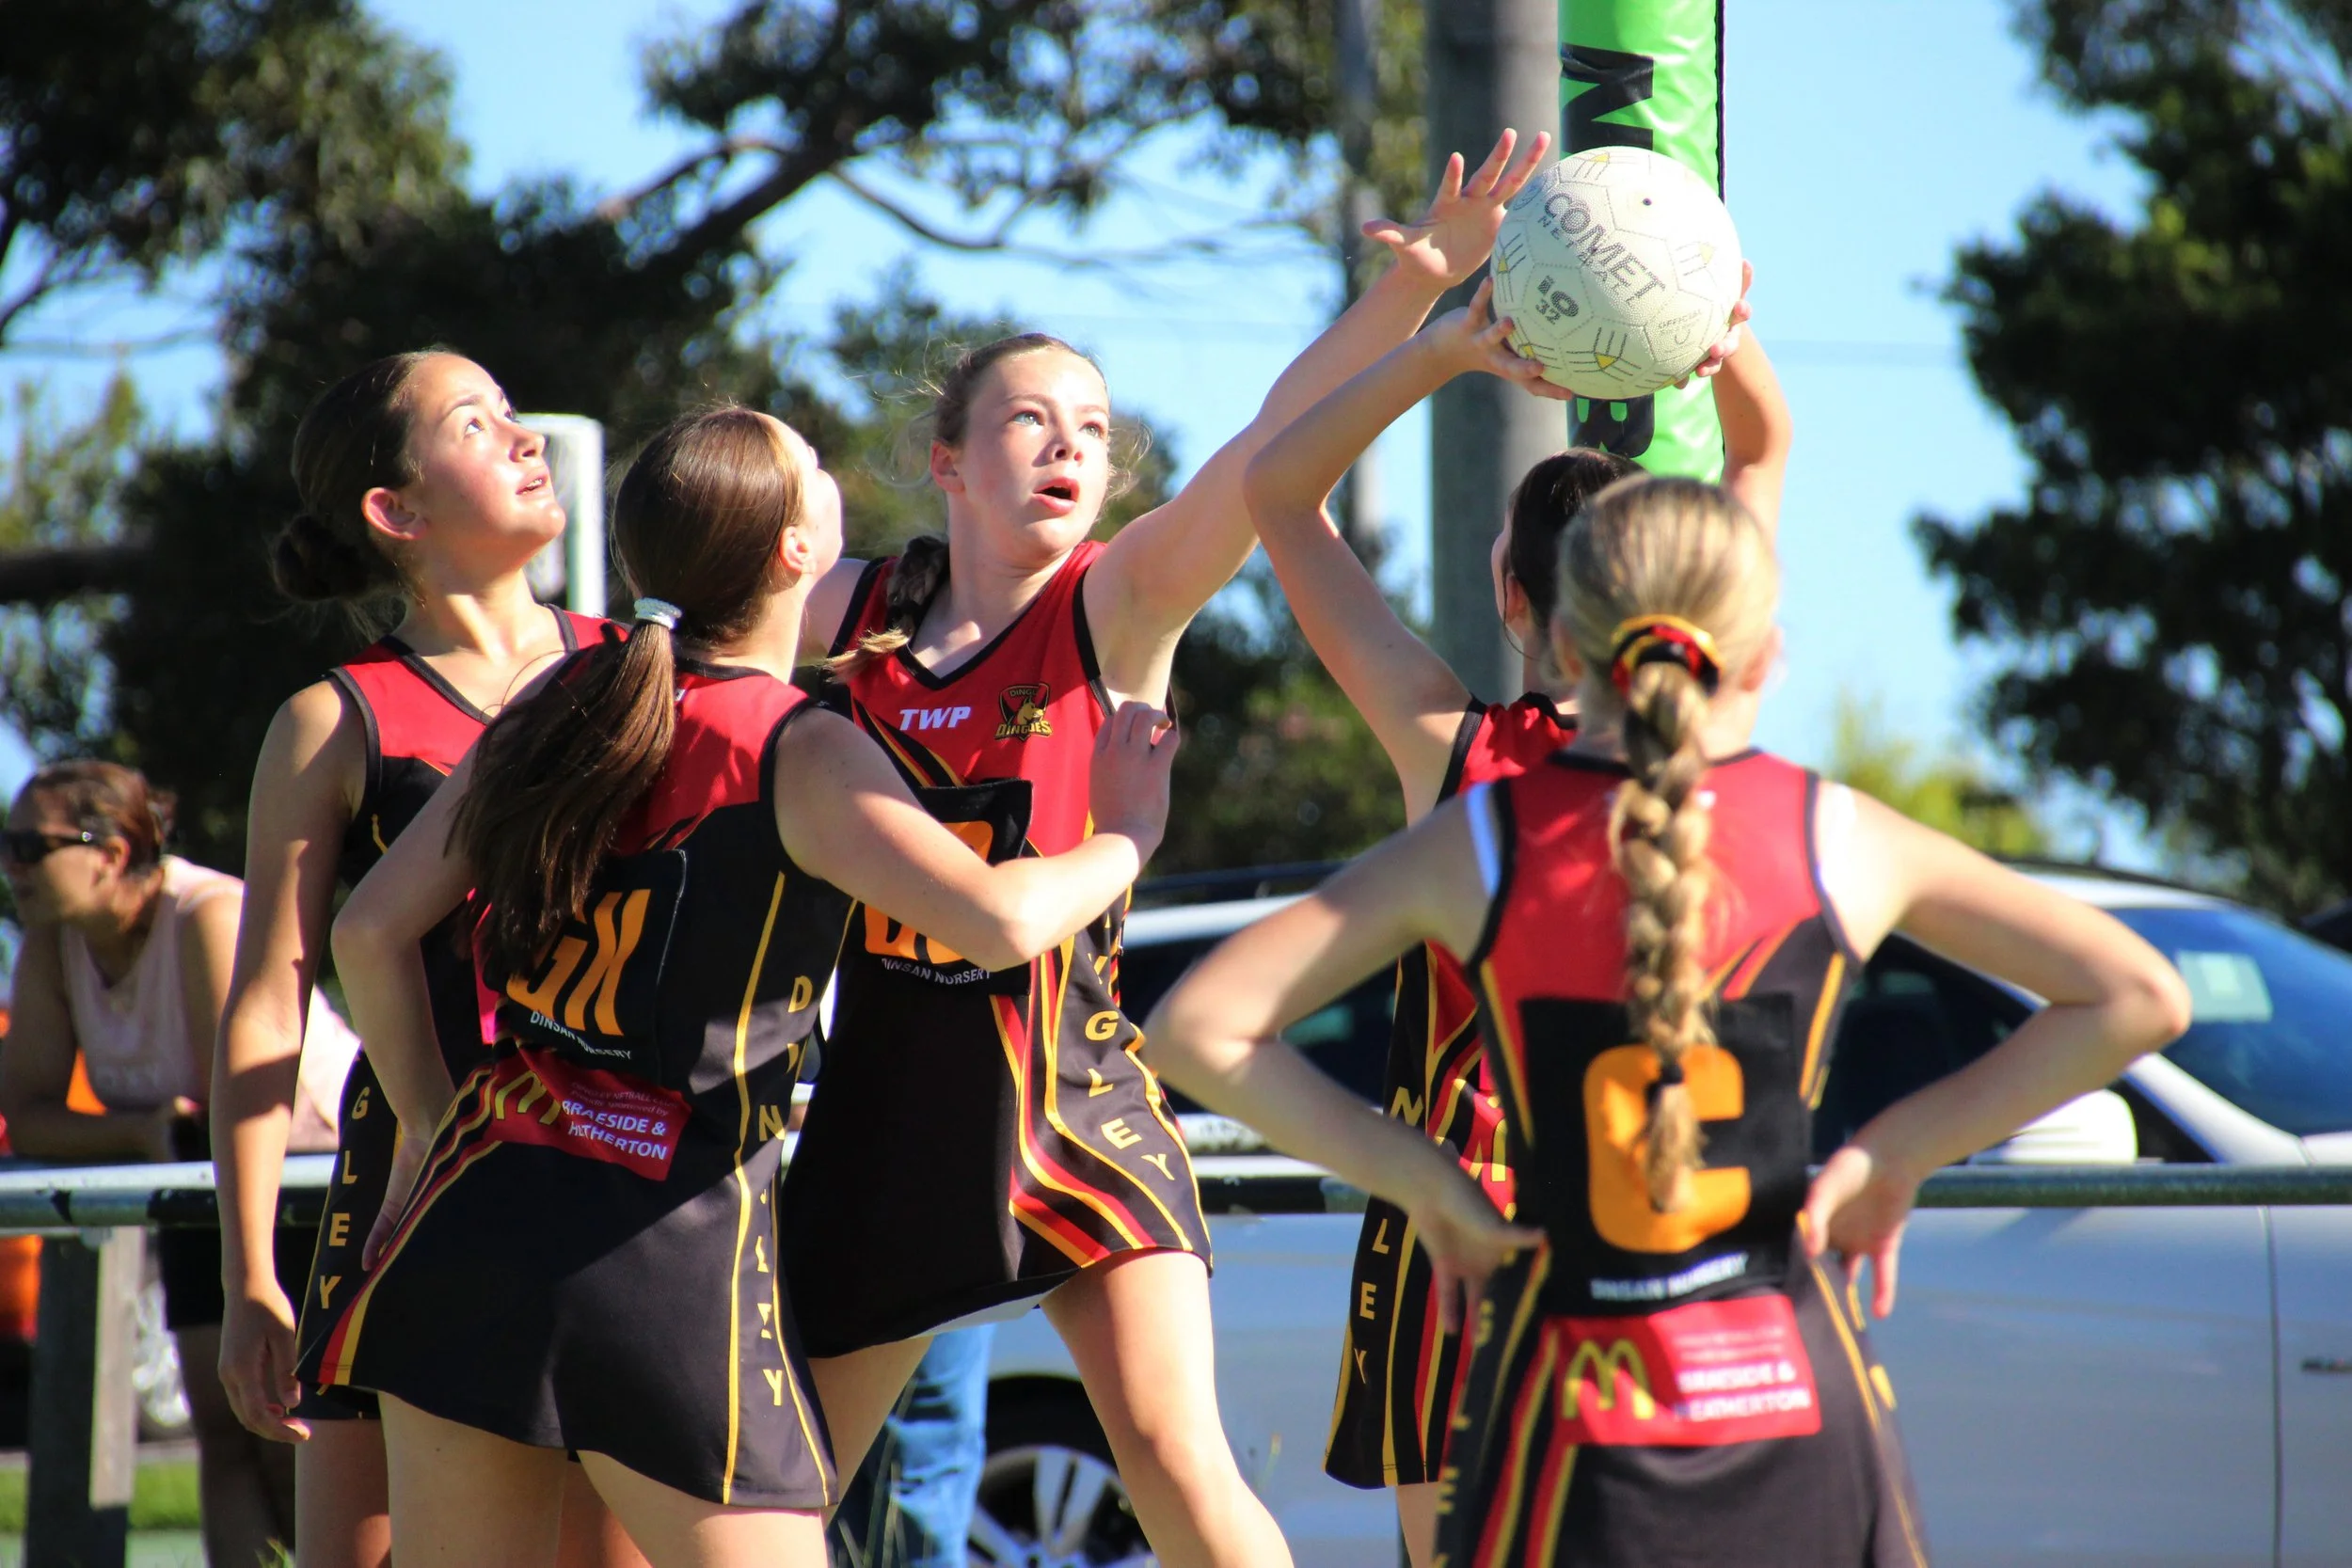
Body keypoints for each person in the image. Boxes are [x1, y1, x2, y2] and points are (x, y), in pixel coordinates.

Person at [1142, 475, 2193, 1566]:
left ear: (1560, 637)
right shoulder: (1832, 833)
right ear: (1764, 654)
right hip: (1787, 1388)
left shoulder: (1488, 837)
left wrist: (1427, 1184)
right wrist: (1892, 1155)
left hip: (1563, 1406)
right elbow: (2140, 995)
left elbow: (1197, 1027)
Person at [782, 127, 1554, 1568]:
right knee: (772, 1495)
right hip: (887, 1108)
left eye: (1092, 425)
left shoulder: (1118, 600)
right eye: (1029, 420)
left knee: (1176, 1458)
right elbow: (695, 626)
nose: (1070, 444)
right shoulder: (841, 616)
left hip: (1070, 1095)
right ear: (947, 459)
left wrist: (1414, 300)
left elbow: (1264, 453)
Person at [319, 406, 1177, 1568]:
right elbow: (1000, 920)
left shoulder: (557, 699)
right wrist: (1126, 833)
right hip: (661, 1251)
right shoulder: (794, 744)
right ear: (796, 549)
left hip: (472, 1218)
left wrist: (432, 1130)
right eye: (812, 466)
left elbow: (369, 930)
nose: (832, 470)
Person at [1241, 277, 1784, 1561]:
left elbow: (1278, 492)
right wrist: (1711, 318)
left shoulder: (1455, 750)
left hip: (1459, 1227)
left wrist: (1449, 350)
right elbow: (1762, 451)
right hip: (1666, 1217)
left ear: (1513, 595)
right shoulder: (1714, 748)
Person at [208, 350, 640, 1568]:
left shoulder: (638, 671)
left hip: (617, 1181)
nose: (524, 436)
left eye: (514, 412)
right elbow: (267, 1007)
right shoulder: (334, 719)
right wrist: (250, 1276)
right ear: (394, 510)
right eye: (473, 422)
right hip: (409, 1196)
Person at [0, 760, 353, 1567]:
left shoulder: (206, 916)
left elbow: (230, 1100)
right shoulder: (53, 946)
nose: (11, 866)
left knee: (293, 1426)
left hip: (311, 1171)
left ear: (111, 852)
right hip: (200, 1170)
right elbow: (31, 1117)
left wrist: (152, 1133)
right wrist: (141, 1132)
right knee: (224, 1426)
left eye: (30, 846)